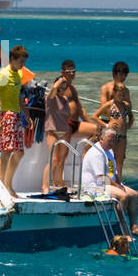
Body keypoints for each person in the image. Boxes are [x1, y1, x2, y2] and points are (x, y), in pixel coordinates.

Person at [42, 59, 101, 192]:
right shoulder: (56, 90)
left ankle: (84, 154)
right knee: (55, 159)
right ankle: (50, 184)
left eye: (74, 71)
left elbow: (80, 109)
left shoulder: (72, 89)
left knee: (97, 130)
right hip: (61, 126)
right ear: (62, 71)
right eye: (69, 71)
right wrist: (59, 83)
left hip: (70, 125)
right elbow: (52, 93)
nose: (72, 73)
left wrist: (89, 122)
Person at [79, 127, 138, 237]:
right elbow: (101, 177)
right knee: (123, 196)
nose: (112, 143)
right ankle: (123, 229)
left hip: (108, 183)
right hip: (95, 186)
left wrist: (119, 183)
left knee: (134, 195)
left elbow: (112, 171)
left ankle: (133, 227)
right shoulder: (96, 153)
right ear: (101, 139)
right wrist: (117, 187)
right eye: (109, 140)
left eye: (114, 140)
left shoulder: (109, 151)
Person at [0, 44, 30, 196]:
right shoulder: (3, 74)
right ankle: (1, 186)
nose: (23, 65)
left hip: (16, 116)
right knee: (6, 151)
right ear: (13, 59)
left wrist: (27, 115)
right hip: (6, 115)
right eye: (21, 61)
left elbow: (19, 98)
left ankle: (7, 184)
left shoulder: (19, 74)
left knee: (19, 152)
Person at [96, 62, 135, 180]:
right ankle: (108, 179)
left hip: (121, 130)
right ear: (115, 74)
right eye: (121, 75)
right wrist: (110, 123)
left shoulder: (126, 90)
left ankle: (119, 180)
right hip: (107, 125)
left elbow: (129, 107)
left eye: (125, 75)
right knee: (108, 156)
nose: (123, 78)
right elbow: (103, 108)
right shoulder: (106, 88)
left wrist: (127, 123)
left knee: (120, 157)